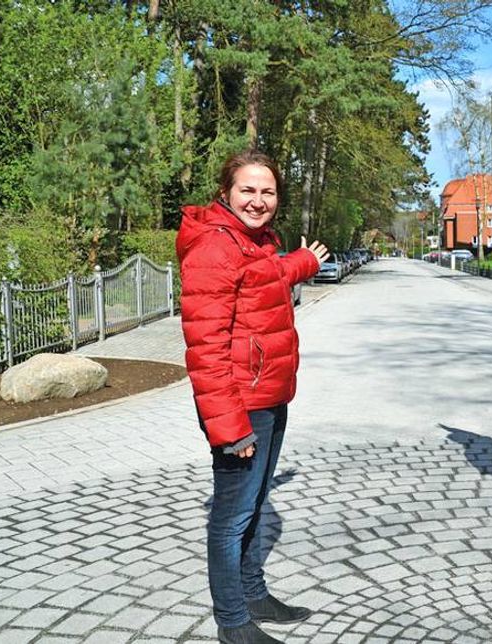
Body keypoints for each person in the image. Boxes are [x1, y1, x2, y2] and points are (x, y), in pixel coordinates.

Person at [176, 150, 329, 644]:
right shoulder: (215, 247)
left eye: (267, 192)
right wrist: (230, 426)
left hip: (269, 395)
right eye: (248, 190)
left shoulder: (254, 243)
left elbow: (265, 281)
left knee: (255, 503)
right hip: (241, 403)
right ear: (225, 192)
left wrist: (304, 261)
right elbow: (206, 348)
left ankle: (253, 593)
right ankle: (233, 621)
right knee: (232, 516)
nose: (258, 200)